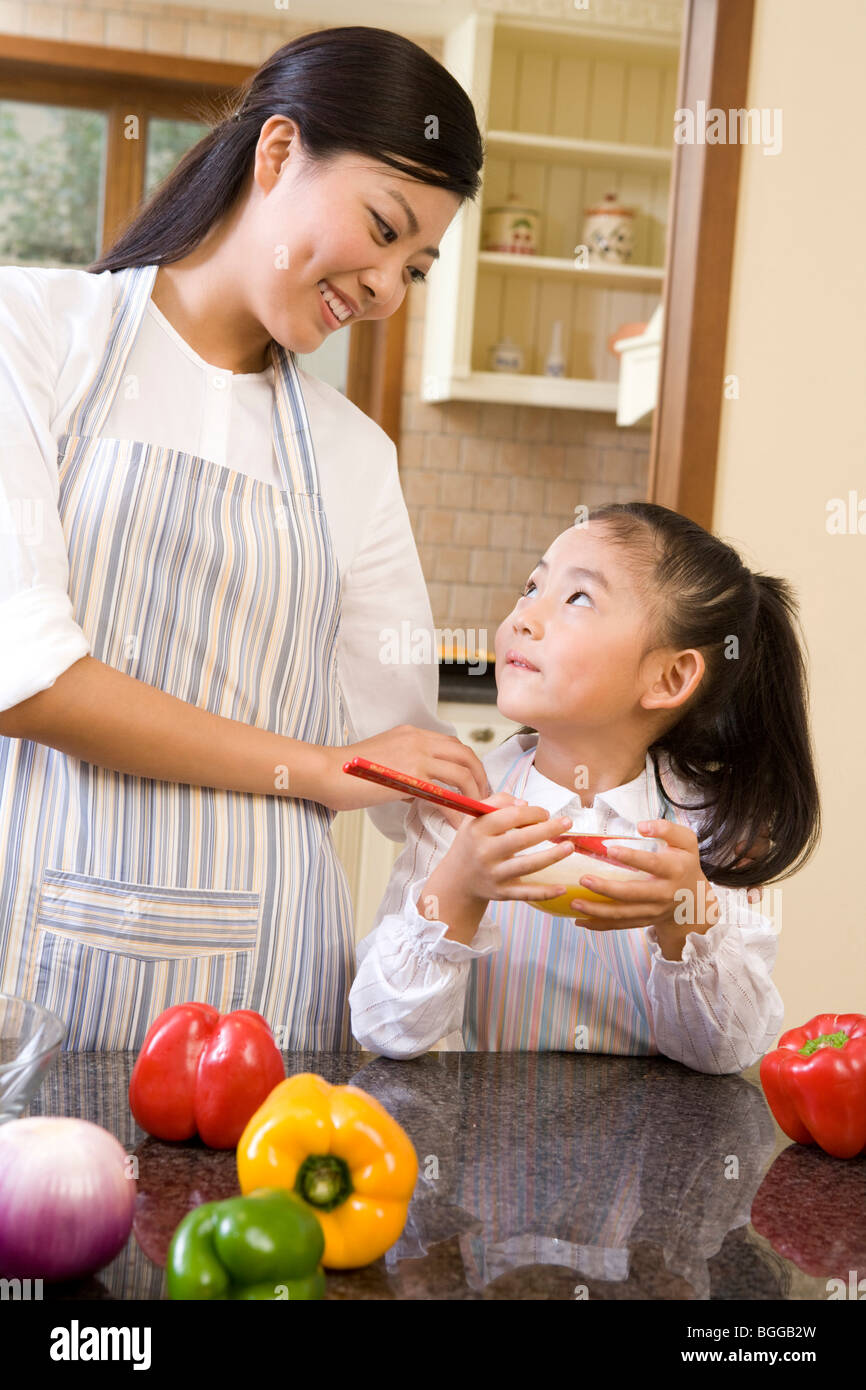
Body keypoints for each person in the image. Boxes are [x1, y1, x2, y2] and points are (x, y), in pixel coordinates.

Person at [0, 26, 491, 1050]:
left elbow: (410, 778)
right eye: (382, 226)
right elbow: (25, 676)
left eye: (418, 266)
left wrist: (605, 807)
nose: (387, 289)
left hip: (267, 1003)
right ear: (276, 154)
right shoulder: (34, 333)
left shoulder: (353, 455)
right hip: (38, 973)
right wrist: (321, 767)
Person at [350, 503, 822, 1072]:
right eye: (532, 586)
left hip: (655, 1154)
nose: (524, 616)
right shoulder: (460, 808)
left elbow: (726, 1054)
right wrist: (459, 886)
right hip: (486, 1143)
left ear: (669, 677)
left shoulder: (708, 832)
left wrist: (686, 916)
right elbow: (385, 1030)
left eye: (577, 598)